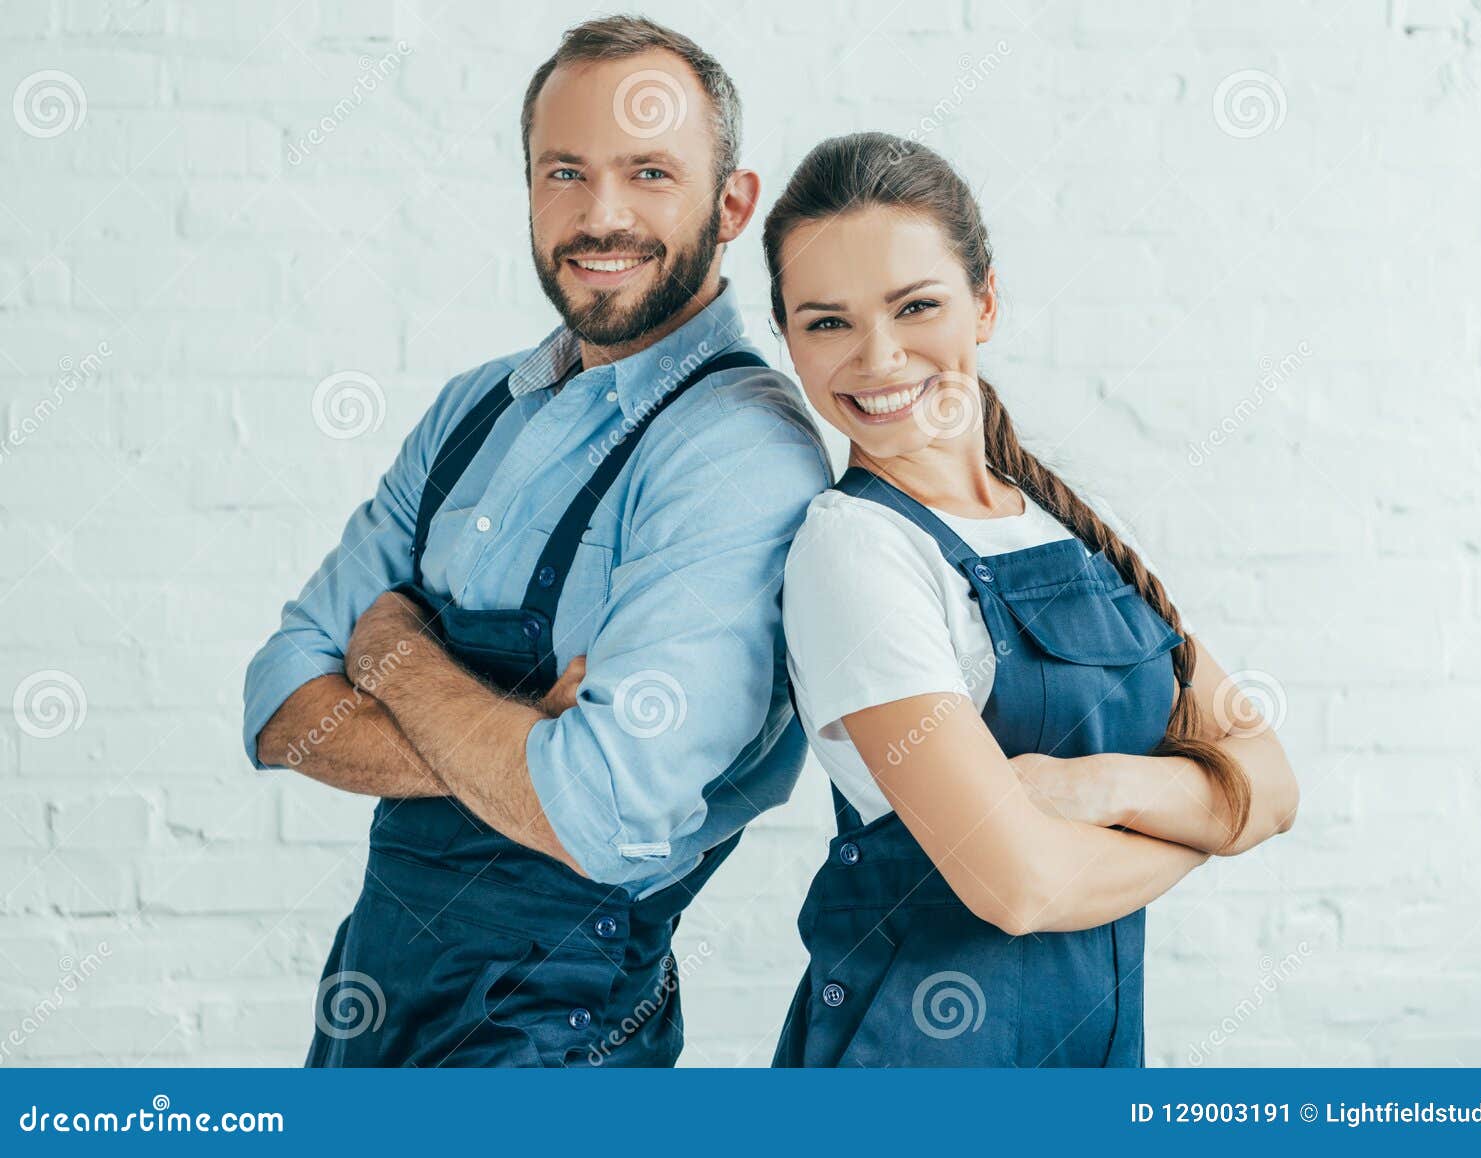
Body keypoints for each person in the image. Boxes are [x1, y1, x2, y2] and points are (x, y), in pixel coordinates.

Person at [241, 16, 830, 1066]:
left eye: (650, 173)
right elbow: (281, 701)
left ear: (732, 205)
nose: (601, 216)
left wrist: (393, 653)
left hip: (555, 1038)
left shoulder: (738, 452)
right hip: (373, 1000)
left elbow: (595, 812)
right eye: (565, 172)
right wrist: (521, 753)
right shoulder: (478, 410)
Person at [763, 132, 1299, 1067]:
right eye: (827, 323)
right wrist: (1212, 828)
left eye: (916, 306)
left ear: (985, 303)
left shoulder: (1065, 522)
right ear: (789, 342)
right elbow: (1022, 889)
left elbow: (1274, 779)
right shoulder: (855, 550)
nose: (879, 358)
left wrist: (1099, 789)